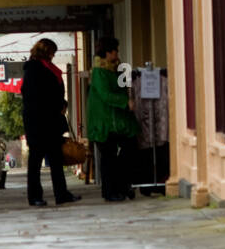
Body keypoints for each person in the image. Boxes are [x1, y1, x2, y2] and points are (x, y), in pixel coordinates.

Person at [21, 38, 82, 208]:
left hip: (51, 121)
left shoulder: (47, 68)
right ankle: (34, 196)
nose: (54, 55)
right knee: (35, 161)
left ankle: (61, 194)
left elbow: (53, 93)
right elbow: (37, 97)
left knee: (56, 159)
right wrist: (57, 105)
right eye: (52, 51)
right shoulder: (34, 69)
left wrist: (62, 104)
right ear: (46, 51)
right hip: (38, 123)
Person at [87, 36, 140, 202]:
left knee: (129, 148)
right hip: (104, 122)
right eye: (115, 50)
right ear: (108, 53)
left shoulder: (116, 69)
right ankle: (110, 191)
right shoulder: (99, 72)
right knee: (108, 157)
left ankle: (122, 186)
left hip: (118, 122)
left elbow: (122, 88)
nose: (118, 53)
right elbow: (105, 95)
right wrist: (126, 102)